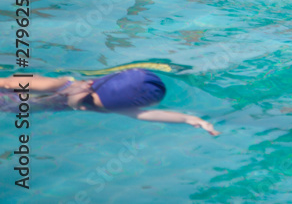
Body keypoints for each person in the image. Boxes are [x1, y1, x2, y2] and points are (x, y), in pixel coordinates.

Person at [0, 69, 219, 135]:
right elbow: (9, 83)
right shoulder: (64, 85)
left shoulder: (104, 105)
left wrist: (189, 119)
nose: (87, 106)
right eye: (91, 99)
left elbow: (146, 115)